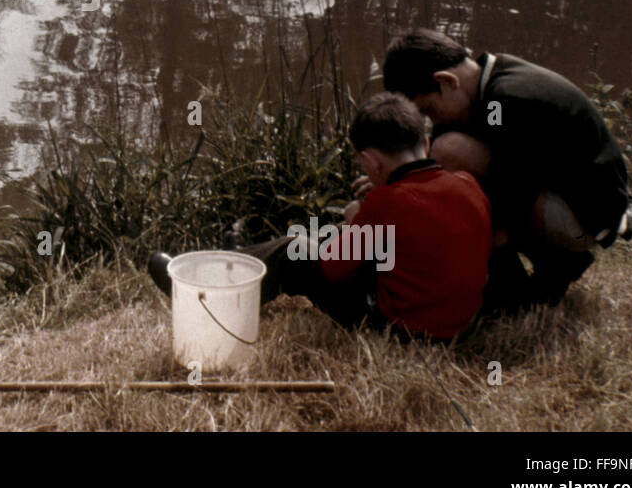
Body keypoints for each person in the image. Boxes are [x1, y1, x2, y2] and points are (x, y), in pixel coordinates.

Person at [148, 94, 492, 341]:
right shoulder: (468, 184)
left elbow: (333, 269)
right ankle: (241, 259)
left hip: (400, 330)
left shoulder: (387, 203)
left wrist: (356, 216)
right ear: (427, 144)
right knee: (334, 239)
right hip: (461, 325)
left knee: (295, 250)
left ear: (372, 162)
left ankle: (211, 290)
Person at [381, 29, 631, 311]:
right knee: (451, 158)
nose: (431, 121)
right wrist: (398, 177)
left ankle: (516, 292)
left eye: (428, 111)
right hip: (575, 199)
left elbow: (510, 190)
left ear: (446, 81)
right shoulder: (493, 79)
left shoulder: (508, 100)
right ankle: (555, 265)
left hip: (584, 216)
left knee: (452, 156)